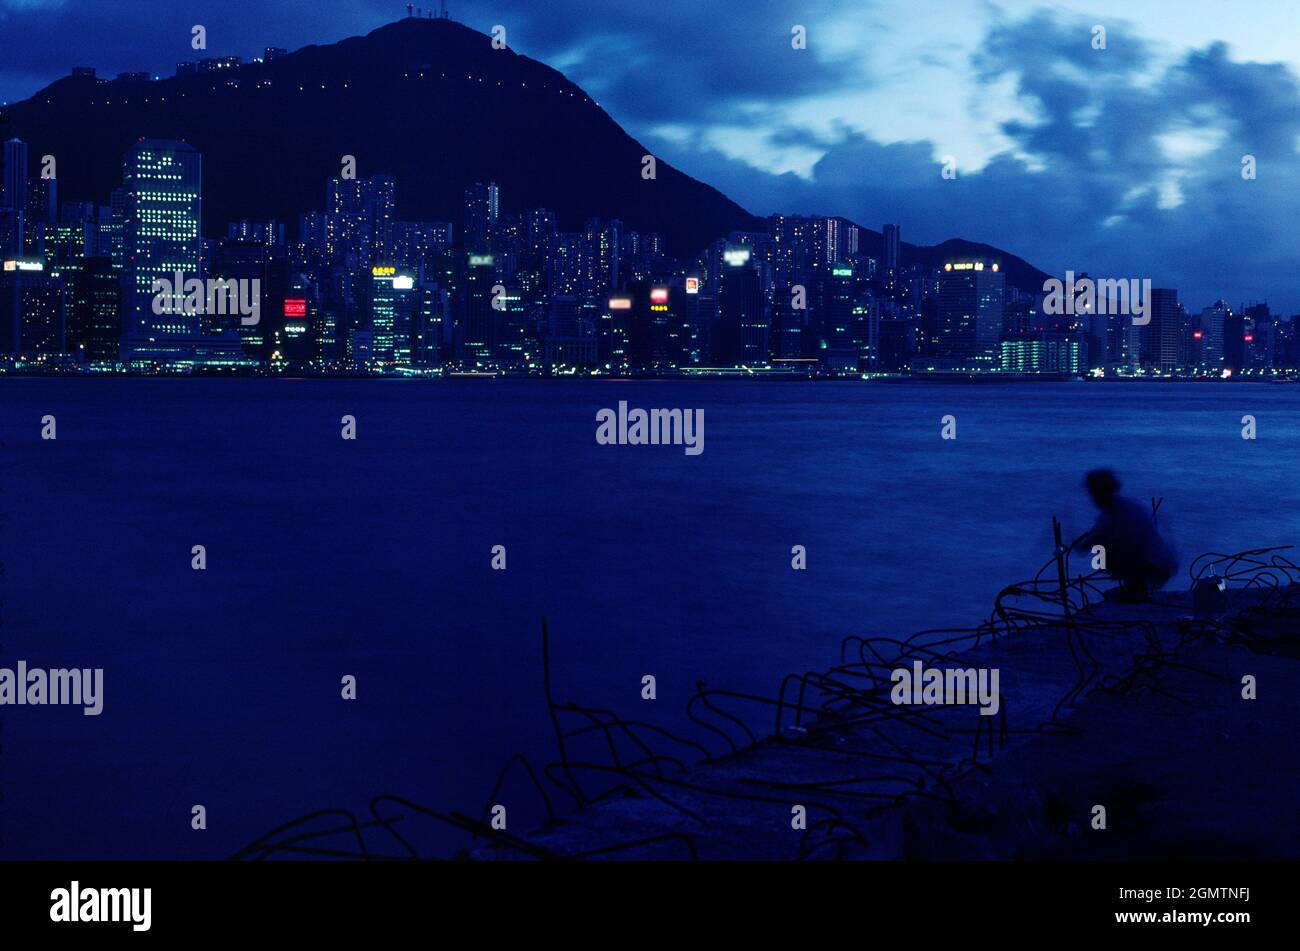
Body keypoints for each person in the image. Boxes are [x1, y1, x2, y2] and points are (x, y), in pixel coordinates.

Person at [1071, 468, 1177, 603]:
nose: (1092, 498)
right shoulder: (1116, 510)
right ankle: (1135, 587)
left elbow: (1101, 541)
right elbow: (1094, 536)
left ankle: (1137, 588)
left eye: (1094, 493)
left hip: (1155, 566)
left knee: (1110, 548)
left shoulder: (1124, 513)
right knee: (1106, 548)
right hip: (1154, 563)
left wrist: (1080, 543)